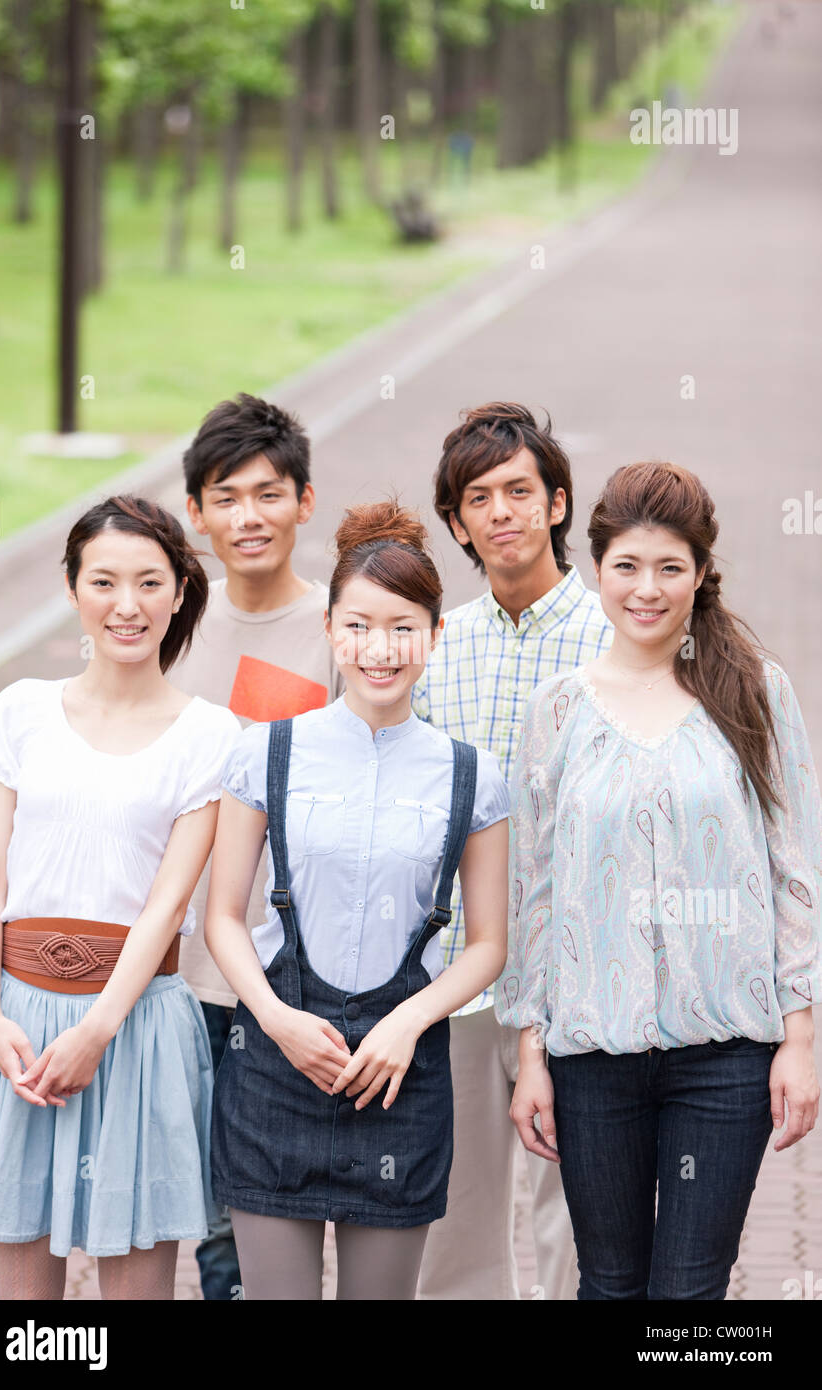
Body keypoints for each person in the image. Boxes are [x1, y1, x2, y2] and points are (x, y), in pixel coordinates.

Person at [497, 461, 821, 1300]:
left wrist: (800, 1038)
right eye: (628, 567)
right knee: (607, 1284)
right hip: (591, 1055)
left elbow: (796, 871)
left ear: (702, 572)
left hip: (727, 1055)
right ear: (596, 569)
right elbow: (535, 889)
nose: (648, 590)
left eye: (671, 567)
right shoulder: (558, 711)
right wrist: (531, 1052)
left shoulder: (754, 691)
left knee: (688, 1292)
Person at [205, 499, 510, 1300]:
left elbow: (488, 945)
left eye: (404, 627)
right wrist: (275, 1021)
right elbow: (222, 919)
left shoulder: (471, 776)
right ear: (332, 631)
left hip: (402, 1075)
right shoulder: (264, 753)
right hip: (276, 1064)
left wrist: (408, 1024)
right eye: (361, 627)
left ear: (436, 634)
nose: (382, 650)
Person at [0, 495, 241, 1300]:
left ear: (180, 592)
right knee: (29, 1322)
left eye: (150, 583)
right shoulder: (21, 712)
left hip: (137, 1024)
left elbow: (165, 906)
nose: (127, 605)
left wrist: (98, 1030)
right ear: (75, 589)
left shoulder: (209, 734)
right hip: (20, 1024)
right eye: (105, 582)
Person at [412, 402, 612, 1301]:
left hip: (577, 978)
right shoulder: (436, 646)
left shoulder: (618, 638)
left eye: (520, 492)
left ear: (557, 502)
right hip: (453, 974)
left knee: (577, 1213)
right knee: (454, 1223)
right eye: (478, 499)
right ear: (456, 523)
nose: (502, 513)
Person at [173, 391, 343, 1300]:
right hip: (186, 979)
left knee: (302, 1213)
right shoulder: (163, 626)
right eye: (226, 497)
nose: (249, 517)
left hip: (301, 978)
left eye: (269, 494)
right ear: (196, 514)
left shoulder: (340, 633)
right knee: (214, 1237)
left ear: (304, 503)